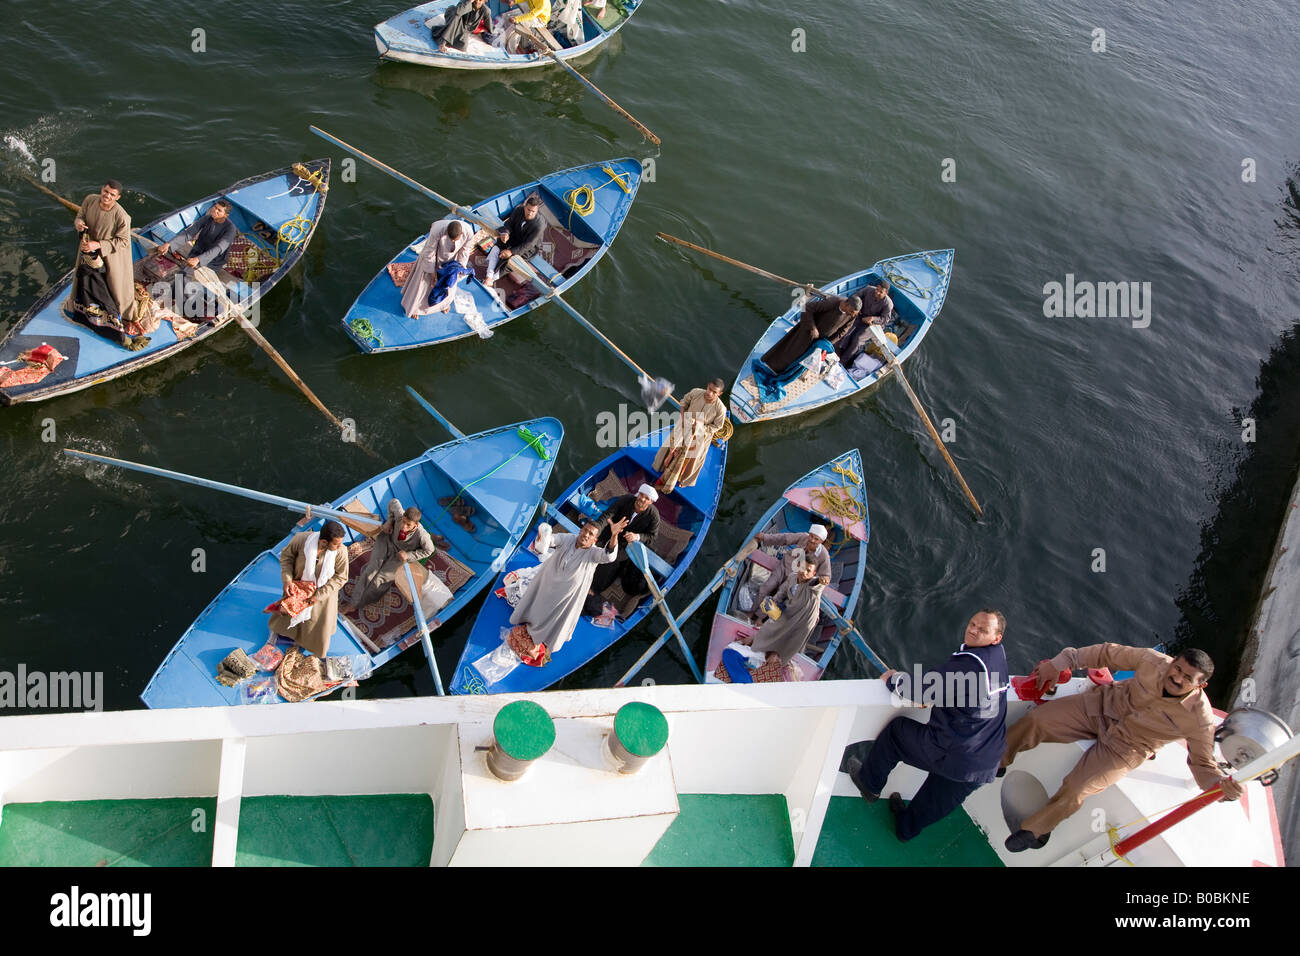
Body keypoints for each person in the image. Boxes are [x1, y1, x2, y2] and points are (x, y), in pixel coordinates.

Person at [999, 644, 1243, 852]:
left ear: (1202, 685)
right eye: (1177, 668)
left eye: (1188, 678)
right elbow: (1105, 653)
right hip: (1099, 707)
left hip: (1128, 747)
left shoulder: (1201, 719)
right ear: (1172, 661)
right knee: (1036, 720)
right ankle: (998, 760)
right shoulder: (1152, 660)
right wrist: (1061, 662)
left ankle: (1035, 831)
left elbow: (1202, 764)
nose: (1177, 678)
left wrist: (1219, 788)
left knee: (1077, 788)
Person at [846, 610, 1010, 841]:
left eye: (982, 630)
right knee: (937, 798)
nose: (973, 630)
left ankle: (869, 784)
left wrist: (895, 680)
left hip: (954, 751)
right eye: (972, 623)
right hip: (985, 762)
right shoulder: (997, 658)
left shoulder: (969, 665)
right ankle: (906, 829)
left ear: (996, 637)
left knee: (897, 733)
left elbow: (921, 690)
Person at [510, 516, 627, 658]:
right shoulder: (568, 538)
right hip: (547, 583)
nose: (586, 535)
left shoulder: (594, 554)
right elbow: (552, 540)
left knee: (556, 618)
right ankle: (527, 620)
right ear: (580, 530)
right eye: (585, 530)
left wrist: (614, 535)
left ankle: (544, 637)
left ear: (594, 540)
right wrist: (544, 534)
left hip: (566, 595)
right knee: (535, 603)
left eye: (591, 534)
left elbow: (609, 556)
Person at [66, 179, 136, 341]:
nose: (107, 196)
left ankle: (116, 316)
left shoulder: (122, 217)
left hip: (110, 256)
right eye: (105, 192)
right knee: (83, 278)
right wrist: (79, 223)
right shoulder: (90, 199)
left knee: (112, 285)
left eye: (112, 195)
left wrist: (98, 244)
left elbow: (124, 241)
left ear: (117, 197)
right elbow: (80, 215)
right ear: (101, 190)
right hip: (87, 250)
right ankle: (83, 305)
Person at [269, 520, 350, 658]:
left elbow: (341, 577)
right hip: (297, 589)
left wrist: (319, 595)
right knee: (288, 615)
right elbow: (286, 557)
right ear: (324, 542)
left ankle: (306, 643)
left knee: (315, 623)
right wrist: (287, 580)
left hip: (322, 596)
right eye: (336, 544)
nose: (339, 546)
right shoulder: (301, 539)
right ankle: (285, 634)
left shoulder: (341, 551)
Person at [344, 499, 436, 613]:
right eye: (403, 521)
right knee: (372, 569)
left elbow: (429, 550)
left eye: (408, 525)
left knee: (380, 579)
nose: (403, 526)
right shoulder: (400, 514)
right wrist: (389, 521)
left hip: (400, 554)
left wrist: (408, 555)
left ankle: (362, 602)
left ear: (415, 525)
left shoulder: (422, 535)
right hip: (387, 540)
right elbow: (394, 502)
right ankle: (353, 602)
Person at [582, 484, 661, 615]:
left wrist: (638, 536)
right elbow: (607, 515)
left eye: (646, 498)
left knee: (609, 563)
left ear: (651, 501)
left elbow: (652, 537)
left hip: (625, 546)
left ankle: (592, 589)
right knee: (590, 552)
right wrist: (596, 532)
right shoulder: (626, 500)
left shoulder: (653, 516)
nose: (642, 499)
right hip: (609, 533)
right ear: (638, 494)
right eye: (641, 495)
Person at [734, 561, 826, 667]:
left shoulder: (813, 588)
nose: (804, 572)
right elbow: (779, 595)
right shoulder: (792, 578)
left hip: (803, 619)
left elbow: (818, 586)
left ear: (813, 574)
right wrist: (761, 617)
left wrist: (776, 653)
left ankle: (777, 652)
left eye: (808, 571)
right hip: (789, 610)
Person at [652, 379, 728, 493]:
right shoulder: (696, 392)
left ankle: (683, 479)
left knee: (691, 458)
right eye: (709, 389)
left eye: (714, 392)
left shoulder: (721, 409)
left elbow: (716, 427)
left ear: (719, 394)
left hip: (701, 435)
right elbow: (684, 403)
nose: (710, 393)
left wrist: (699, 427)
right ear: (707, 386)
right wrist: (683, 418)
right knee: (672, 446)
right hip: (684, 425)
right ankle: (661, 466)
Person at [759, 294, 861, 376]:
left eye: (854, 313)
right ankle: (773, 367)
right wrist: (812, 328)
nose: (852, 315)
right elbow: (807, 308)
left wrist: (826, 343)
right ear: (847, 304)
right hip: (807, 332)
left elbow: (842, 332)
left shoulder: (851, 315)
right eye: (851, 311)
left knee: (804, 358)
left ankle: (788, 373)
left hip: (820, 341)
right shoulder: (832, 303)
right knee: (791, 351)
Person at [749, 524, 831, 621]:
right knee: (766, 587)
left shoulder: (824, 555)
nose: (812, 540)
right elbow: (784, 538)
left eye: (816, 539)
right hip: (784, 567)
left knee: (777, 597)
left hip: (796, 578)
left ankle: (760, 618)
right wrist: (764, 537)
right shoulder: (803, 537)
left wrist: (824, 579)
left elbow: (826, 575)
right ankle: (751, 612)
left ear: (821, 541)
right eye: (811, 536)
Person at [401, 218, 474, 318]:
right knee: (425, 282)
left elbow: (464, 252)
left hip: (452, 260)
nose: (452, 241)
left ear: (461, 234)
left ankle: (443, 305)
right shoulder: (437, 230)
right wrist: (433, 272)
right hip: (433, 257)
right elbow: (429, 251)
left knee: (449, 284)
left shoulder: (469, 233)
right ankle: (416, 308)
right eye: (450, 238)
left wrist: (459, 268)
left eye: (454, 239)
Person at [157, 199, 238, 271]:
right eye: (215, 207)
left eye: (219, 210)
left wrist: (199, 259)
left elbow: (218, 248)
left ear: (225, 215)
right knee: (181, 274)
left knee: (187, 275)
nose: (215, 210)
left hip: (213, 260)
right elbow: (189, 233)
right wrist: (169, 244)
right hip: (197, 251)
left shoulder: (230, 229)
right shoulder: (207, 218)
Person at [831, 280, 894, 365]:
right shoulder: (868, 289)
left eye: (880, 292)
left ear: (886, 293)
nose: (877, 292)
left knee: (857, 339)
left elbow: (885, 319)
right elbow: (856, 296)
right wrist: (858, 307)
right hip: (859, 316)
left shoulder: (888, 304)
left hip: (872, 325)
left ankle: (843, 362)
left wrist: (873, 318)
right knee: (846, 332)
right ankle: (835, 351)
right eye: (877, 289)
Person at [485, 194, 545, 282]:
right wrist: (506, 233)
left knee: (510, 262)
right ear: (525, 207)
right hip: (514, 237)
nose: (530, 213)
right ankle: (489, 276)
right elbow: (509, 224)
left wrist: (511, 252)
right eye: (528, 210)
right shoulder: (518, 210)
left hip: (527, 247)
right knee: (497, 246)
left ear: (537, 211)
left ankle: (491, 279)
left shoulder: (540, 225)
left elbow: (529, 244)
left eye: (533, 211)